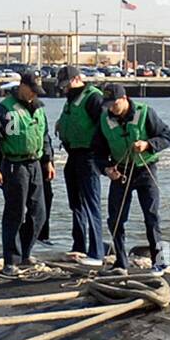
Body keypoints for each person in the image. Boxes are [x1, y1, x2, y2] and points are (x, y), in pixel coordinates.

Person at [0, 72, 55, 276]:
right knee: (15, 213)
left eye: (36, 92)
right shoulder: (4, 109)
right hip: (14, 166)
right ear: (22, 86)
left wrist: (48, 161)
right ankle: (11, 260)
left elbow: (45, 135)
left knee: (39, 213)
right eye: (31, 90)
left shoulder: (39, 109)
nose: (33, 95)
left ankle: (25, 252)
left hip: (35, 165)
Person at [100, 82, 170, 273]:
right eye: (108, 105)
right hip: (121, 173)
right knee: (115, 219)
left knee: (152, 216)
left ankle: (161, 262)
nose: (111, 108)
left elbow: (167, 137)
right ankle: (120, 262)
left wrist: (148, 144)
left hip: (145, 169)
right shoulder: (104, 119)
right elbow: (97, 151)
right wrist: (106, 168)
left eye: (114, 104)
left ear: (124, 99)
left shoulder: (145, 112)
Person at [54, 66, 109, 266]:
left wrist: (100, 154)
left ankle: (97, 252)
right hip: (73, 155)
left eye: (67, 84)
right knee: (75, 204)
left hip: (89, 156)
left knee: (91, 204)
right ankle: (79, 246)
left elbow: (104, 125)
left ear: (77, 79)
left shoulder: (93, 98)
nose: (64, 89)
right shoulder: (71, 100)